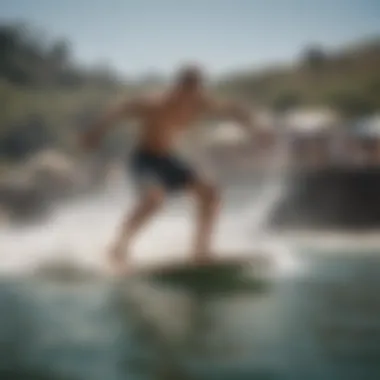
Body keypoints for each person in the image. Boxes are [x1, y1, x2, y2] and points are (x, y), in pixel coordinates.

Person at [80, 64, 257, 274]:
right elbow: (120, 110)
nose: (188, 98)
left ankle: (200, 251)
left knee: (210, 193)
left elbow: (227, 108)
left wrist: (248, 120)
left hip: (168, 159)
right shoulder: (155, 103)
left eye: (194, 92)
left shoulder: (199, 103)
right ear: (177, 88)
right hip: (144, 159)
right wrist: (96, 132)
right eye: (185, 91)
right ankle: (118, 248)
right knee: (153, 201)